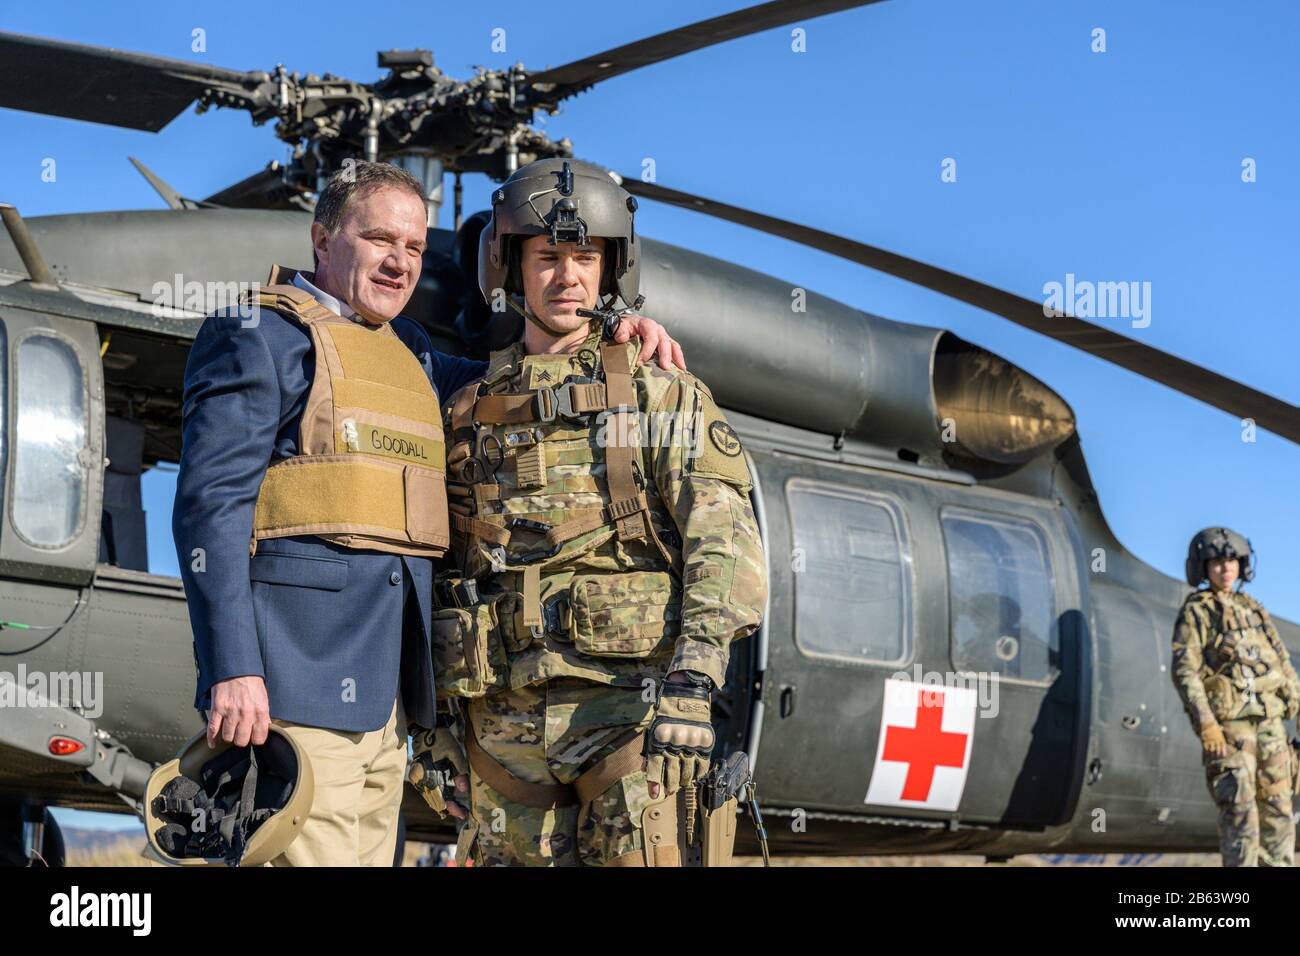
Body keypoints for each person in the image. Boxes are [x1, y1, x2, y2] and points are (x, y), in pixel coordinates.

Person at [173, 160, 681, 866]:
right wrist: (232, 668)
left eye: (414, 249)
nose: (399, 262)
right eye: (380, 239)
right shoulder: (259, 336)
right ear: (322, 239)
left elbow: (529, 377)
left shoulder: (410, 354)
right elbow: (209, 509)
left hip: (390, 707)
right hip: (294, 688)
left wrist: (617, 329)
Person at [408, 158, 767, 866]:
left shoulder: (660, 394)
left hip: (633, 723)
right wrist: (432, 735)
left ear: (611, 270)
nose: (567, 277)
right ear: (508, 268)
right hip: (498, 738)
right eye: (547, 257)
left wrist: (694, 683)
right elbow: (434, 568)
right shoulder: (463, 410)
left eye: (584, 257)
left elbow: (725, 549)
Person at [1170, 526, 1300, 867]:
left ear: (1242, 565)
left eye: (1231, 561)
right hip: (1232, 732)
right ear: (1203, 568)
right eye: (1216, 562)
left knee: (1279, 812)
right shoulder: (1197, 610)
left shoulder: (1254, 609)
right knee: (1240, 815)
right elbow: (1186, 671)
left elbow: (1283, 665)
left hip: (1271, 727)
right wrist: (1207, 725)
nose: (1225, 568)